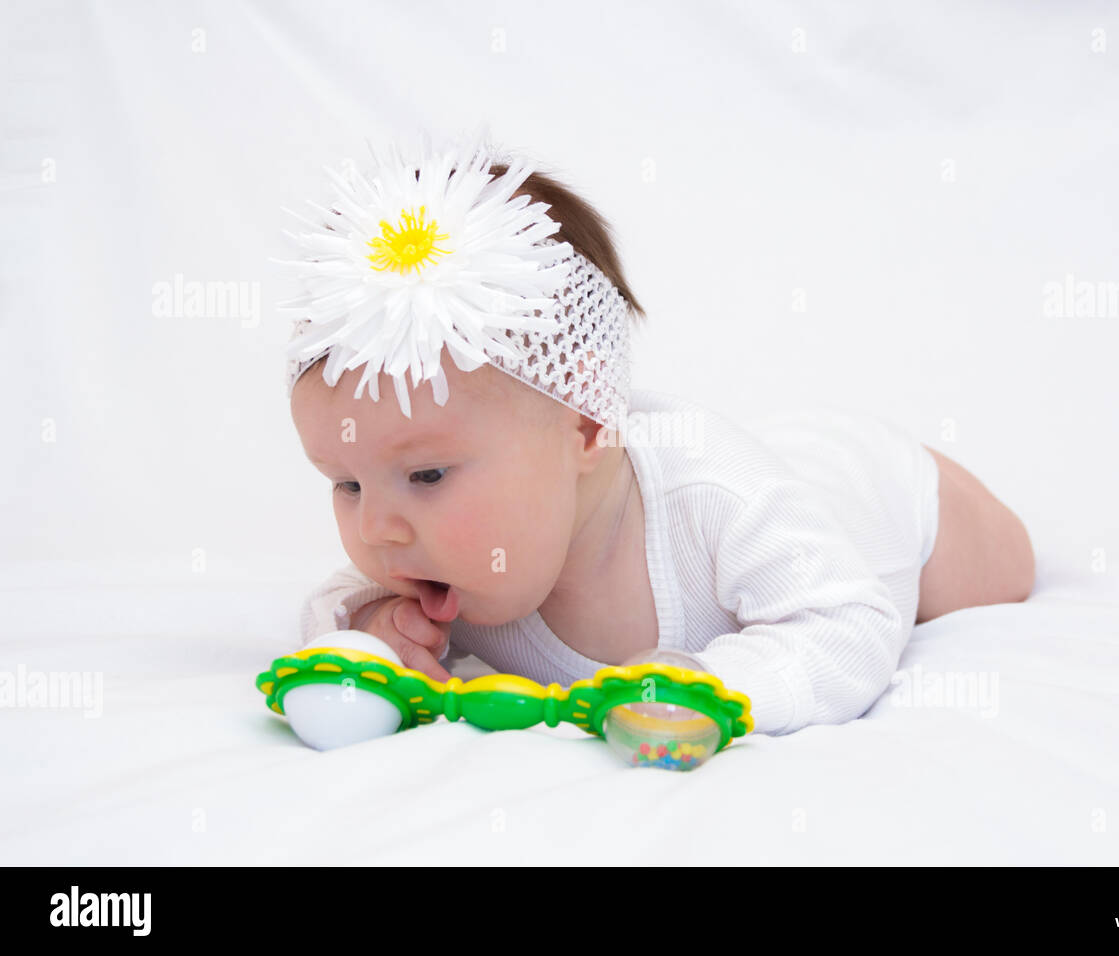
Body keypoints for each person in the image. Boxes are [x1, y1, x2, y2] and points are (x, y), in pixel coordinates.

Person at [283, 130, 1034, 737]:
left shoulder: (715, 494)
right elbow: (337, 605)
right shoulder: (432, 558)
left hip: (876, 489)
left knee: (1005, 576)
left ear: (583, 423)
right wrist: (376, 631)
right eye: (345, 483)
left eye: (427, 477)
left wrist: (713, 687)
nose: (377, 529)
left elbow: (849, 622)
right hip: (769, 462)